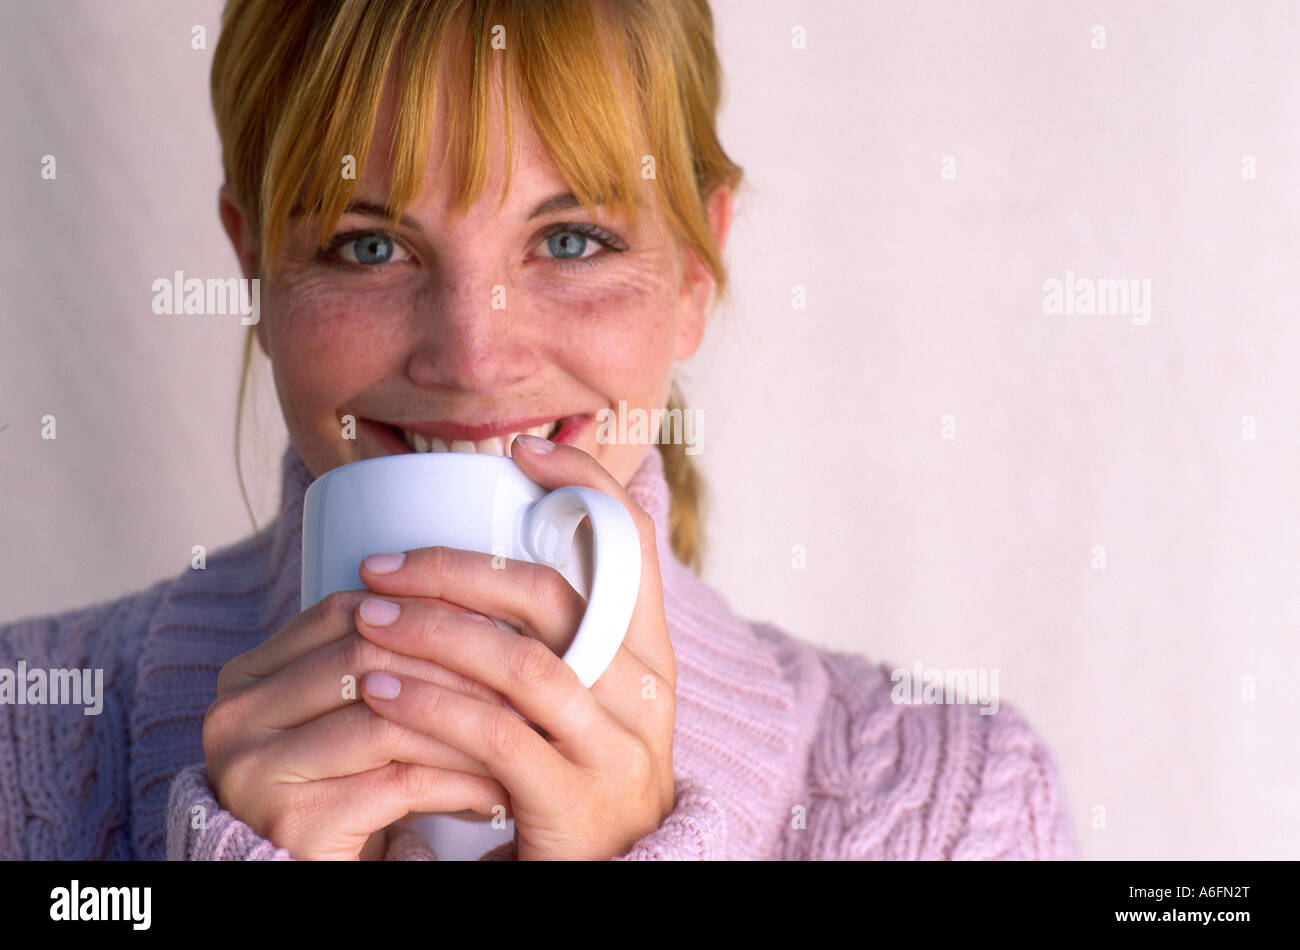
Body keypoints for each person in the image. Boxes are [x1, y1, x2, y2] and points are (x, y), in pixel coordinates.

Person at [0, 0, 1078, 860]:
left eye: (569, 239)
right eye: (369, 248)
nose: (473, 355)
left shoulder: (961, 807)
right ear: (254, 269)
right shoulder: (25, 739)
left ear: (696, 268)